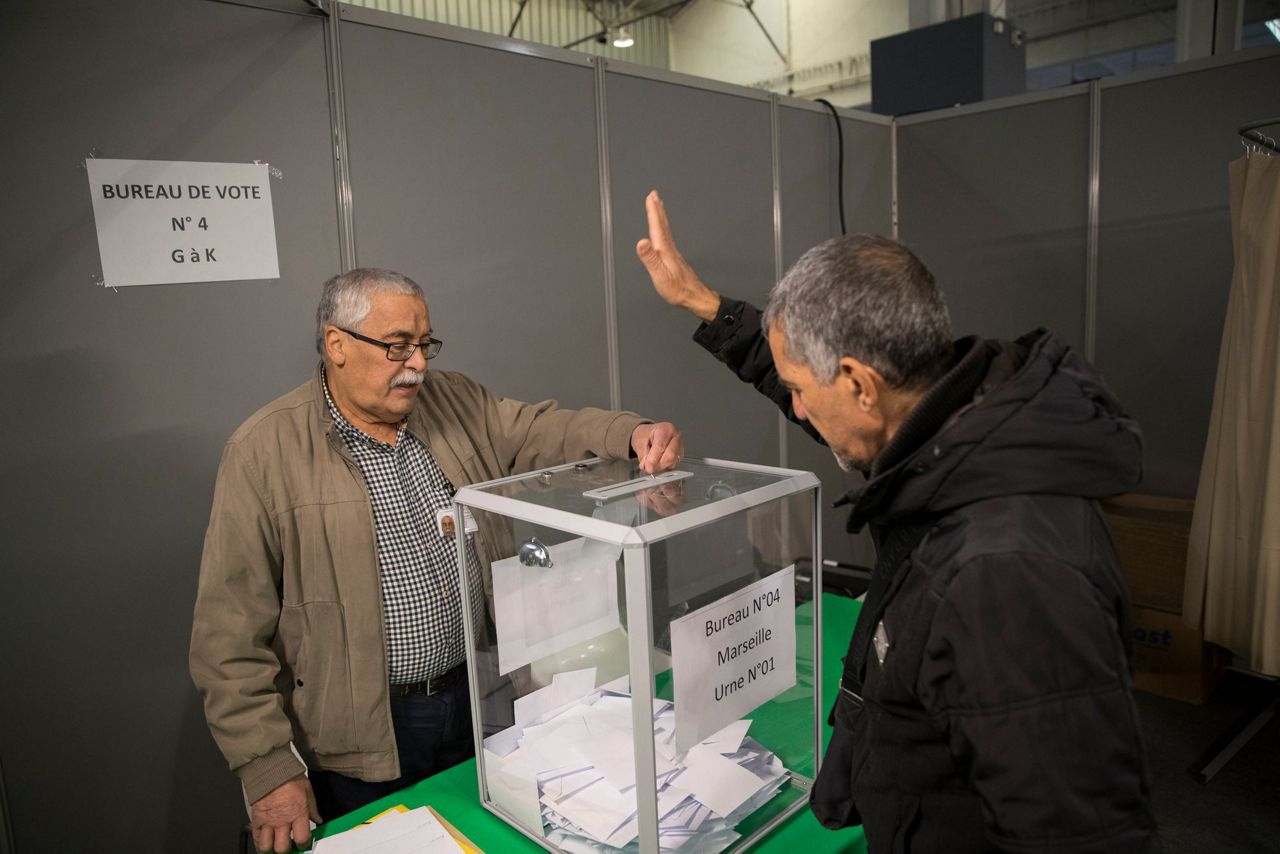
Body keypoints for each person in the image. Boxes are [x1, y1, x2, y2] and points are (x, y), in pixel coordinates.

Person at [635, 191, 1160, 852]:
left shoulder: (1005, 579)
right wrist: (703, 304)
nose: (795, 410)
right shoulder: (955, 419)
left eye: (800, 390)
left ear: (858, 383)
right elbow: (807, 376)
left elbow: (1075, 834)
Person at [190, 268, 682, 853]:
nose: (418, 364)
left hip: (478, 700)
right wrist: (270, 770)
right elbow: (227, 639)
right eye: (398, 345)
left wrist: (631, 433)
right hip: (364, 734)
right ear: (336, 344)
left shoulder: (452, 401)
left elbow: (539, 428)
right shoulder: (263, 452)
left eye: (425, 345)